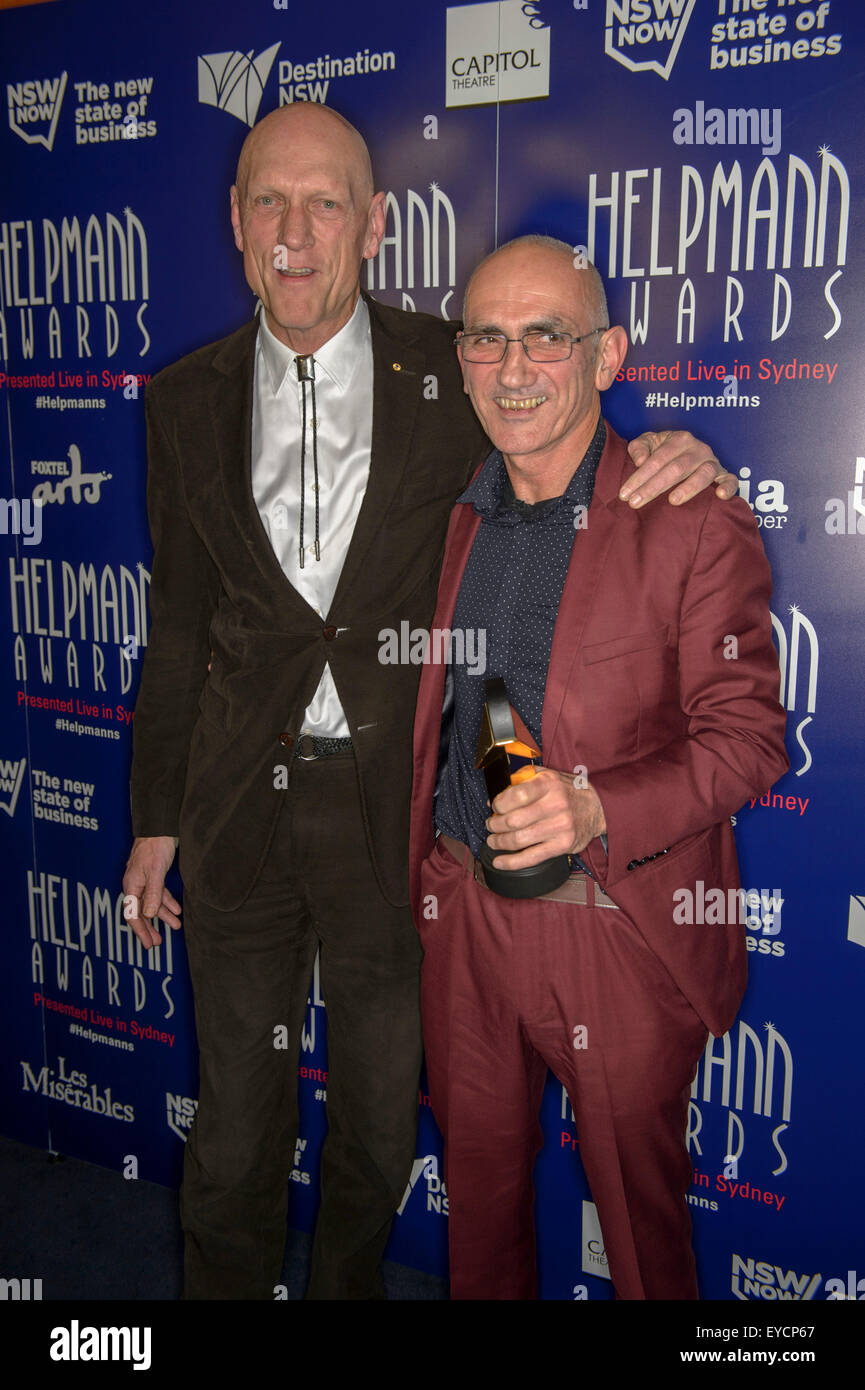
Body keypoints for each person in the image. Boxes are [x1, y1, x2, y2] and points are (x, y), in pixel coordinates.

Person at [122, 104, 738, 1301]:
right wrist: (158, 818)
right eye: (267, 203)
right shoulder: (180, 399)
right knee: (238, 1131)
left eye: (324, 204)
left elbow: (561, 417)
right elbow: (180, 623)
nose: (293, 233)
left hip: (397, 823)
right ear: (234, 223)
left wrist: (688, 460)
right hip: (239, 813)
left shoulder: (453, 369)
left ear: (374, 226)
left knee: (377, 1129)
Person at [408, 236, 789, 1300]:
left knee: (638, 1228)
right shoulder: (449, 509)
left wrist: (591, 807)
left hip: (611, 920)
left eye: (547, 336)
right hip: (461, 911)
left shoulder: (690, 516)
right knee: (477, 1207)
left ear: (607, 354)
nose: (514, 365)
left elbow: (750, 740)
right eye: (487, 336)